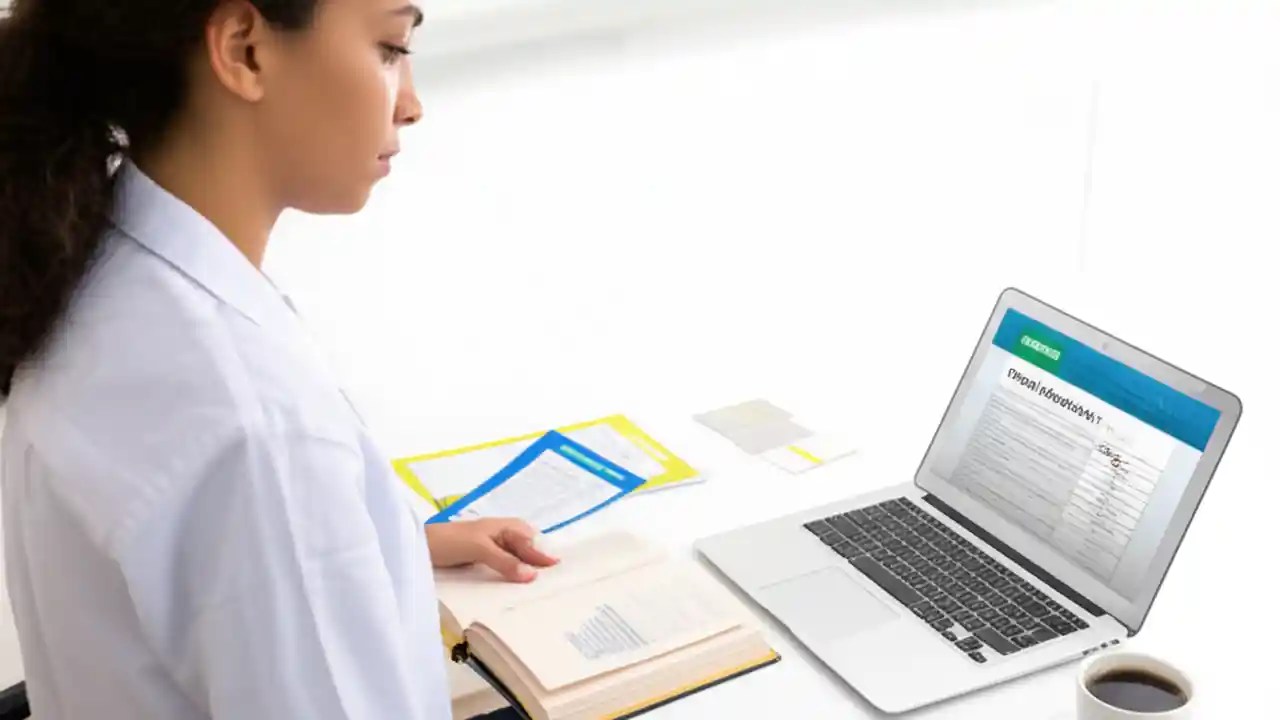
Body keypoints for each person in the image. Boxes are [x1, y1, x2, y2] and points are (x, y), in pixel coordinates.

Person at [0, 1, 557, 718]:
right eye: (390, 48)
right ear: (246, 50)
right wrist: (311, 541)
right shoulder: (256, 425)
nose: (411, 104)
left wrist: (380, 548)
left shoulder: (105, 274)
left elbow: (183, 558)